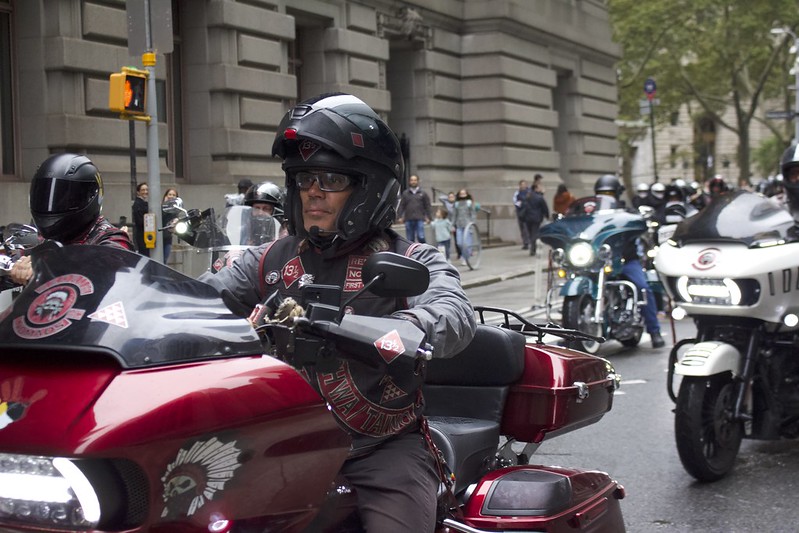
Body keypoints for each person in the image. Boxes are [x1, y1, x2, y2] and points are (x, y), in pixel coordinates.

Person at [201, 93, 476, 532]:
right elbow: (198, 297)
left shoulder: (413, 258)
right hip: (277, 439)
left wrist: (406, 327)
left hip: (379, 449)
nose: (313, 191)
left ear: (369, 188)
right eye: (304, 178)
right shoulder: (268, 259)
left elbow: (454, 314)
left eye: (331, 179)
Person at [10, 153, 134, 285]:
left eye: (64, 199)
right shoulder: (41, 238)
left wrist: (43, 266)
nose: (52, 205)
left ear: (91, 196)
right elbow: (15, 256)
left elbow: (109, 262)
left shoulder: (110, 236)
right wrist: (17, 266)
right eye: (44, 197)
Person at [593, 174, 664, 348]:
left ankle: (654, 331)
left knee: (642, 287)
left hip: (625, 260)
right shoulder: (591, 214)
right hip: (598, 261)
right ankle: (571, 330)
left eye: (609, 193)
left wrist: (642, 220)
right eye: (603, 194)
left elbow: (640, 223)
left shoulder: (627, 213)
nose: (606, 197)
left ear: (617, 194)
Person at [397, 174, 432, 243]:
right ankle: (413, 250)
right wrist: (399, 216)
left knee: (421, 236)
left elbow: (427, 205)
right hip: (408, 218)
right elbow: (402, 205)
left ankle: (424, 248)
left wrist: (429, 217)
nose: (413, 182)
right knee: (410, 239)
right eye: (412, 180)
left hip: (420, 218)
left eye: (415, 180)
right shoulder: (405, 193)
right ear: (409, 181)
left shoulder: (423, 193)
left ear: (418, 181)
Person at [519, 181, 549, 256]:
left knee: (530, 232)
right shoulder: (539, 197)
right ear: (536, 188)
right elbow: (544, 208)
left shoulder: (528, 196)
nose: (541, 188)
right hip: (536, 218)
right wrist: (547, 216)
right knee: (534, 233)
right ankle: (533, 248)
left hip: (528, 217)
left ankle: (532, 247)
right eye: (539, 187)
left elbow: (523, 205)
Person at [452, 188, 478, 266]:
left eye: (464, 193)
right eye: (461, 194)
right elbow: (454, 215)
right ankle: (464, 255)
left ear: (466, 194)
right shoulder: (456, 204)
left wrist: (472, 224)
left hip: (468, 225)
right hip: (459, 225)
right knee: (459, 243)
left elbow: (473, 214)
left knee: (467, 243)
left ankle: (465, 257)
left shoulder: (469, 203)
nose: (462, 195)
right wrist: (452, 225)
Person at [161, 187, 180, 263]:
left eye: (174, 195)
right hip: (159, 238)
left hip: (168, 238)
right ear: (166, 196)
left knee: (165, 259)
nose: (171, 196)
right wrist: (164, 204)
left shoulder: (176, 209)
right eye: (170, 194)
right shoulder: (161, 207)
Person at [132, 181, 150, 256]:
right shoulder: (138, 204)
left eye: (146, 190)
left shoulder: (144, 203)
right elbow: (140, 221)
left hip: (146, 234)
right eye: (143, 190)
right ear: (138, 192)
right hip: (142, 235)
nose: (145, 192)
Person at [513, 180, 531, 249]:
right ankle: (525, 242)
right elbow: (516, 202)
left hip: (528, 212)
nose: (523, 186)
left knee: (527, 228)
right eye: (521, 184)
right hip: (520, 212)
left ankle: (528, 241)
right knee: (522, 228)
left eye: (524, 184)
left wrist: (523, 202)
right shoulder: (517, 193)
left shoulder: (529, 192)